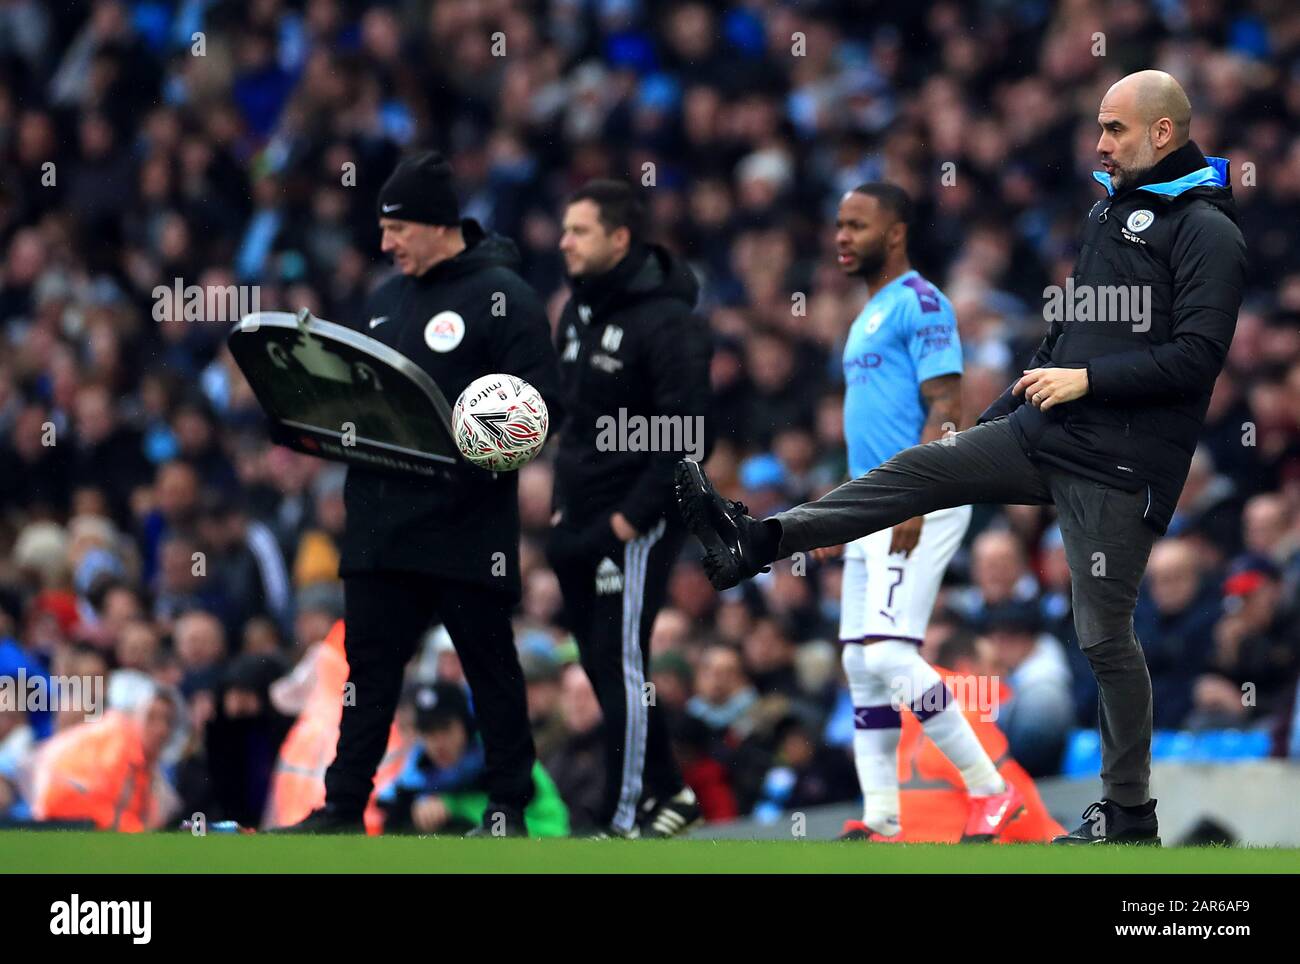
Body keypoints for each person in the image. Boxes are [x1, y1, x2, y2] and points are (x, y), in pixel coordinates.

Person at [677, 70, 1247, 845]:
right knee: (918, 471)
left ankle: (1131, 818)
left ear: (1164, 133)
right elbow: (1072, 323)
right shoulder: (1110, 210)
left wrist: (1087, 378)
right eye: (1100, 127)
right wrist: (1005, 408)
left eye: (1115, 129)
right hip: (1043, 428)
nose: (1101, 142)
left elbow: (1197, 358)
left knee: (1103, 636)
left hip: (1121, 463)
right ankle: (760, 539)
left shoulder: (1209, 231)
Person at [281, 151, 563, 837]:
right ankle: (344, 808)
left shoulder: (506, 297)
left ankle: (506, 810)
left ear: (435, 224)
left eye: (395, 229)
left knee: (489, 669)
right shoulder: (383, 300)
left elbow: (540, 403)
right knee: (367, 676)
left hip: (467, 524)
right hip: (380, 525)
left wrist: (477, 454)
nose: (384, 245)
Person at [818, 182, 1023, 843]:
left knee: (891, 654)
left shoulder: (922, 302)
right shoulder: (868, 311)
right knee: (858, 660)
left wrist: (918, 492)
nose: (842, 236)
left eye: (857, 225)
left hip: (917, 499)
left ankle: (991, 790)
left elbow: (949, 405)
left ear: (896, 232)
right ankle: (881, 813)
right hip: (869, 505)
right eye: (839, 225)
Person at [546, 180, 712, 837]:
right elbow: (574, 423)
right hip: (576, 518)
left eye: (578, 231)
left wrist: (629, 518)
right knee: (598, 662)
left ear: (620, 238)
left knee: (622, 663)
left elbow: (691, 434)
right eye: (564, 230)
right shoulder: (577, 313)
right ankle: (671, 792)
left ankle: (621, 817)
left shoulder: (668, 322)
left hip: (633, 522)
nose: (564, 242)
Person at [375, 682, 569, 837]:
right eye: (428, 733)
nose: (438, 742)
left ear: (466, 727)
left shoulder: (505, 757)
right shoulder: (419, 771)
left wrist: (451, 806)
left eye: (445, 728)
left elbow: (529, 821)